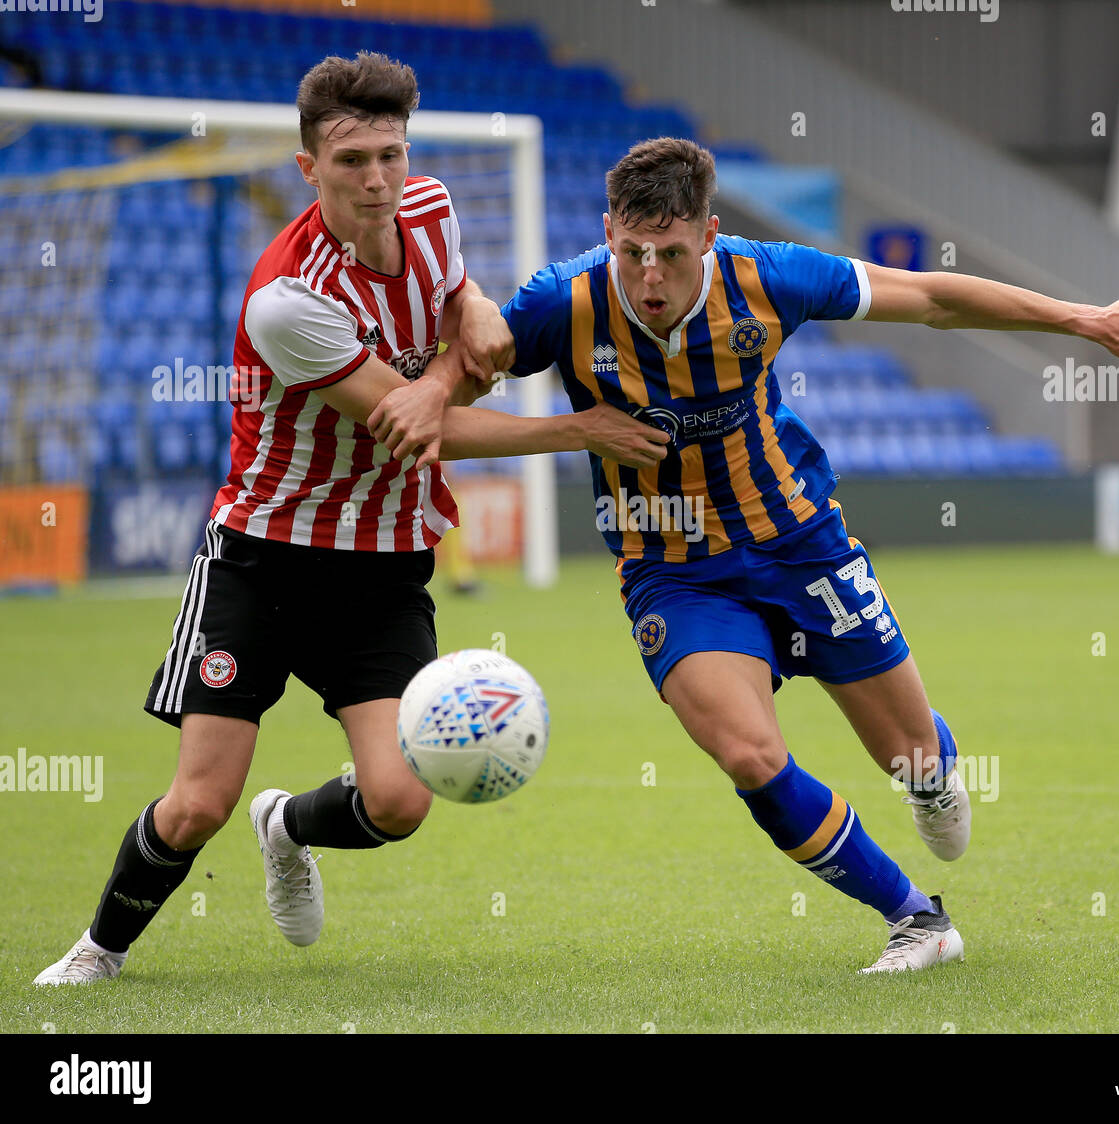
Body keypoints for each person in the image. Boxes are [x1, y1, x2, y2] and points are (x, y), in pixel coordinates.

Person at [370, 137, 1119, 974]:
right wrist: (525, 414)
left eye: (669, 253)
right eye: (632, 252)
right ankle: (916, 920)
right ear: (607, 231)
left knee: (911, 756)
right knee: (749, 754)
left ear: (708, 235)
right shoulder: (563, 301)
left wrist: (1085, 318)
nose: (650, 277)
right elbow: (447, 408)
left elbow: (930, 299)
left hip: (799, 543)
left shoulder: (770, 276)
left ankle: (930, 771)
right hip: (672, 569)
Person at [33, 52, 663, 986]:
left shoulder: (434, 207)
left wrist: (476, 304)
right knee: (200, 800)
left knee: (402, 798)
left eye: (390, 154)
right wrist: (577, 427)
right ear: (307, 168)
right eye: (351, 160)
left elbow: (452, 304)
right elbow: (419, 424)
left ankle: (285, 827)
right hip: (266, 555)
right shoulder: (287, 301)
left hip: (382, 560)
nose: (376, 180)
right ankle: (100, 949)